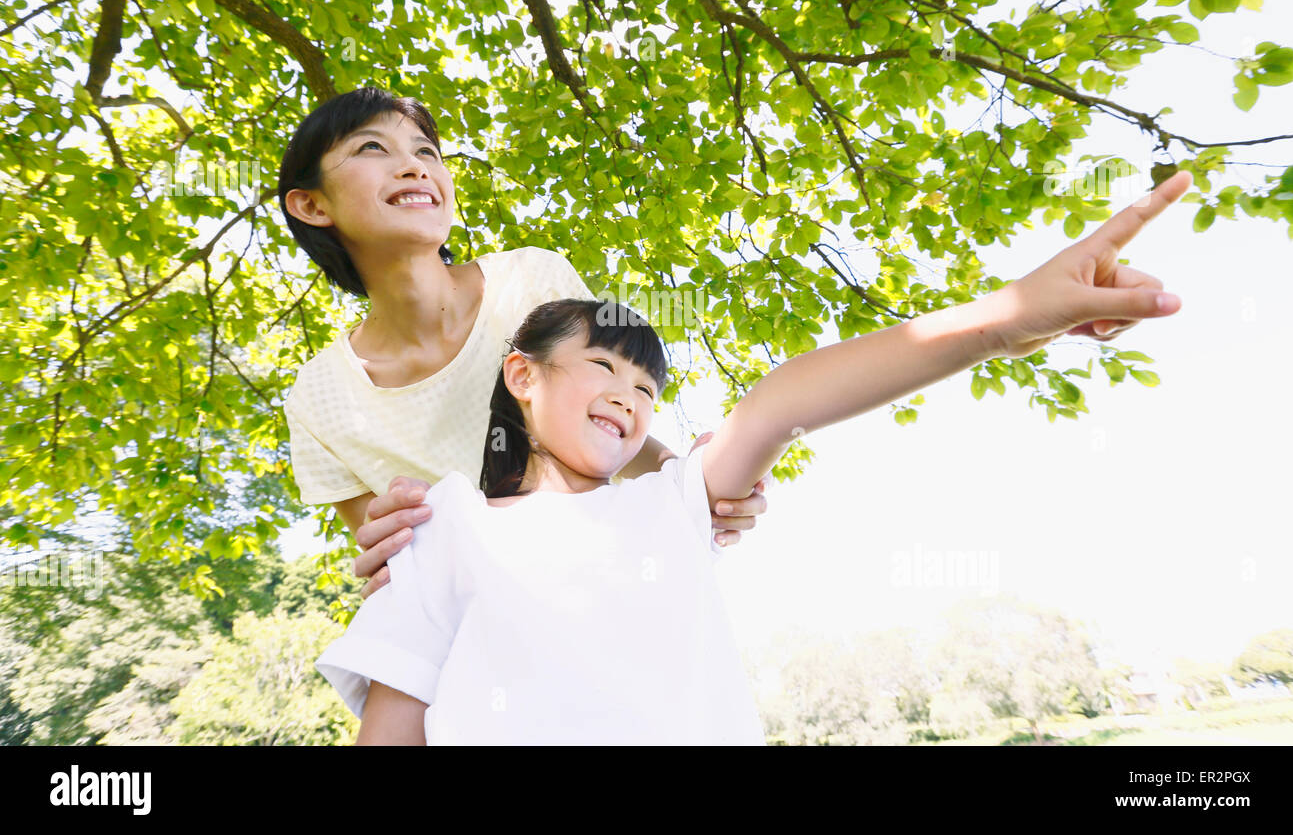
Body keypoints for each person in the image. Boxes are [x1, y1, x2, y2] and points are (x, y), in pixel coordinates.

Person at [315, 168, 1189, 744]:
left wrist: (1010, 315)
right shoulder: (448, 528)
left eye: (649, 389)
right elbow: (394, 723)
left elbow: (788, 396)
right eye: (604, 368)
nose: (629, 395)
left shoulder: (670, 503)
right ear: (523, 375)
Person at [278, 88, 769, 599]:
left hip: (609, 584)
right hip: (477, 625)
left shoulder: (532, 281)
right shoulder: (318, 398)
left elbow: (605, 424)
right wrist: (389, 552)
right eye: (372, 148)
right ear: (311, 204)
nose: (414, 166)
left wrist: (696, 485)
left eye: (426, 151)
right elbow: (390, 561)